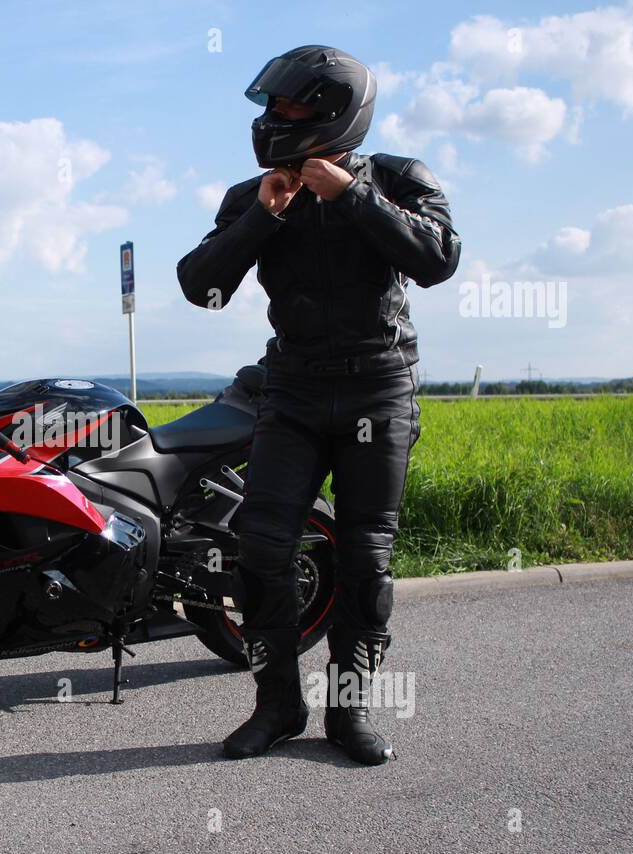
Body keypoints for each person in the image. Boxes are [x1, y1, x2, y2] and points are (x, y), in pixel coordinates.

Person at [177, 45, 461, 764]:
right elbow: (200, 288)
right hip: (294, 389)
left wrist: (352, 196)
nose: (274, 119)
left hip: (378, 385)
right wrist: (262, 221)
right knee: (261, 547)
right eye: (270, 106)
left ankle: (349, 712)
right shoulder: (255, 194)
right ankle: (276, 706)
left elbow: (436, 260)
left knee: (366, 559)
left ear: (336, 113)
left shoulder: (400, 178)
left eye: (291, 108)